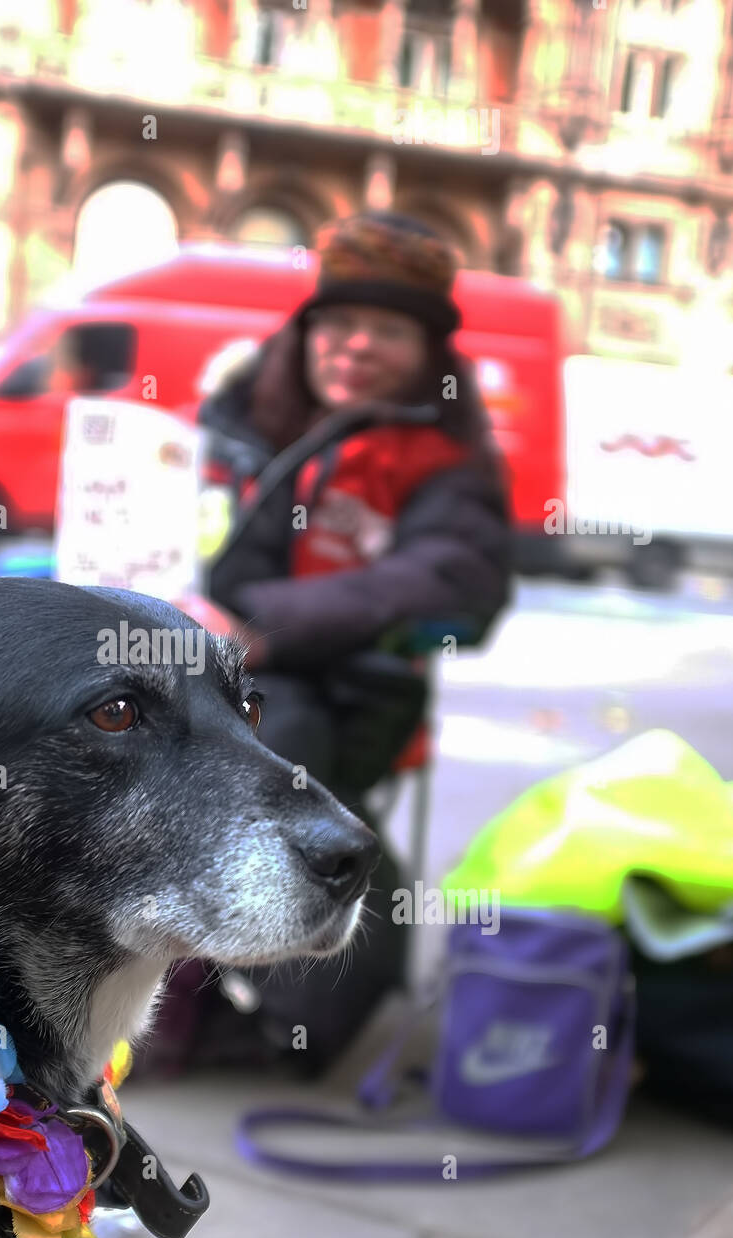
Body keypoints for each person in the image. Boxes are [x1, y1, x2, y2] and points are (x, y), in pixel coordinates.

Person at [141, 210, 514, 1079]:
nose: (352, 347)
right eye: (336, 324)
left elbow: (457, 583)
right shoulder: (240, 412)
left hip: (351, 693)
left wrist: (256, 628)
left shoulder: (439, 454)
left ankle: (261, 1008)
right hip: (203, 659)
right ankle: (146, 979)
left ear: (427, 352)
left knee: (260, 759)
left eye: (385, 330)